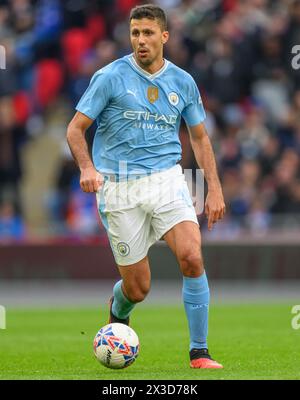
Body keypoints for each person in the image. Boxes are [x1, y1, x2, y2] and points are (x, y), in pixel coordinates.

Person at [66, 4, 225, 369]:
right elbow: (75, 129)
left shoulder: (183, 81)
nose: (141, 40)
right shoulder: (109, 77)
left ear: (164, 36)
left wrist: (214, 188)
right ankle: (118, 310)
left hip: (166, 180)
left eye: (148, 33)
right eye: (135, 33)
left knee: (192, 256)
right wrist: (87, 167)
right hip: (119, 187)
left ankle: (199, 352)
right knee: (138, 288)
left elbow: (199, 138)